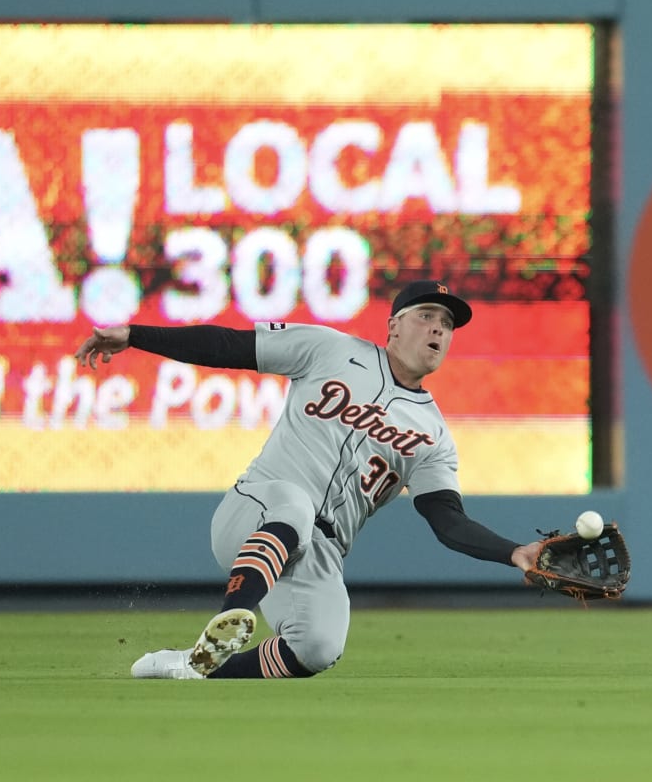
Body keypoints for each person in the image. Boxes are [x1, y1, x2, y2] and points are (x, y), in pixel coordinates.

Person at [74, 280, 542, 679]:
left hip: (319, 551)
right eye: (426, 315)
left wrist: (514, 552)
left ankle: (196, 663)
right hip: (255, 512)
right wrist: (136, 335)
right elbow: (230, 346)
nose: (439, 327)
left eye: (447, 324)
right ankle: (228, 618)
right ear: (394, 325)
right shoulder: (330, 350)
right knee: (294, 508)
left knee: (318, 647)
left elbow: (448, 520)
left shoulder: (433, 435)